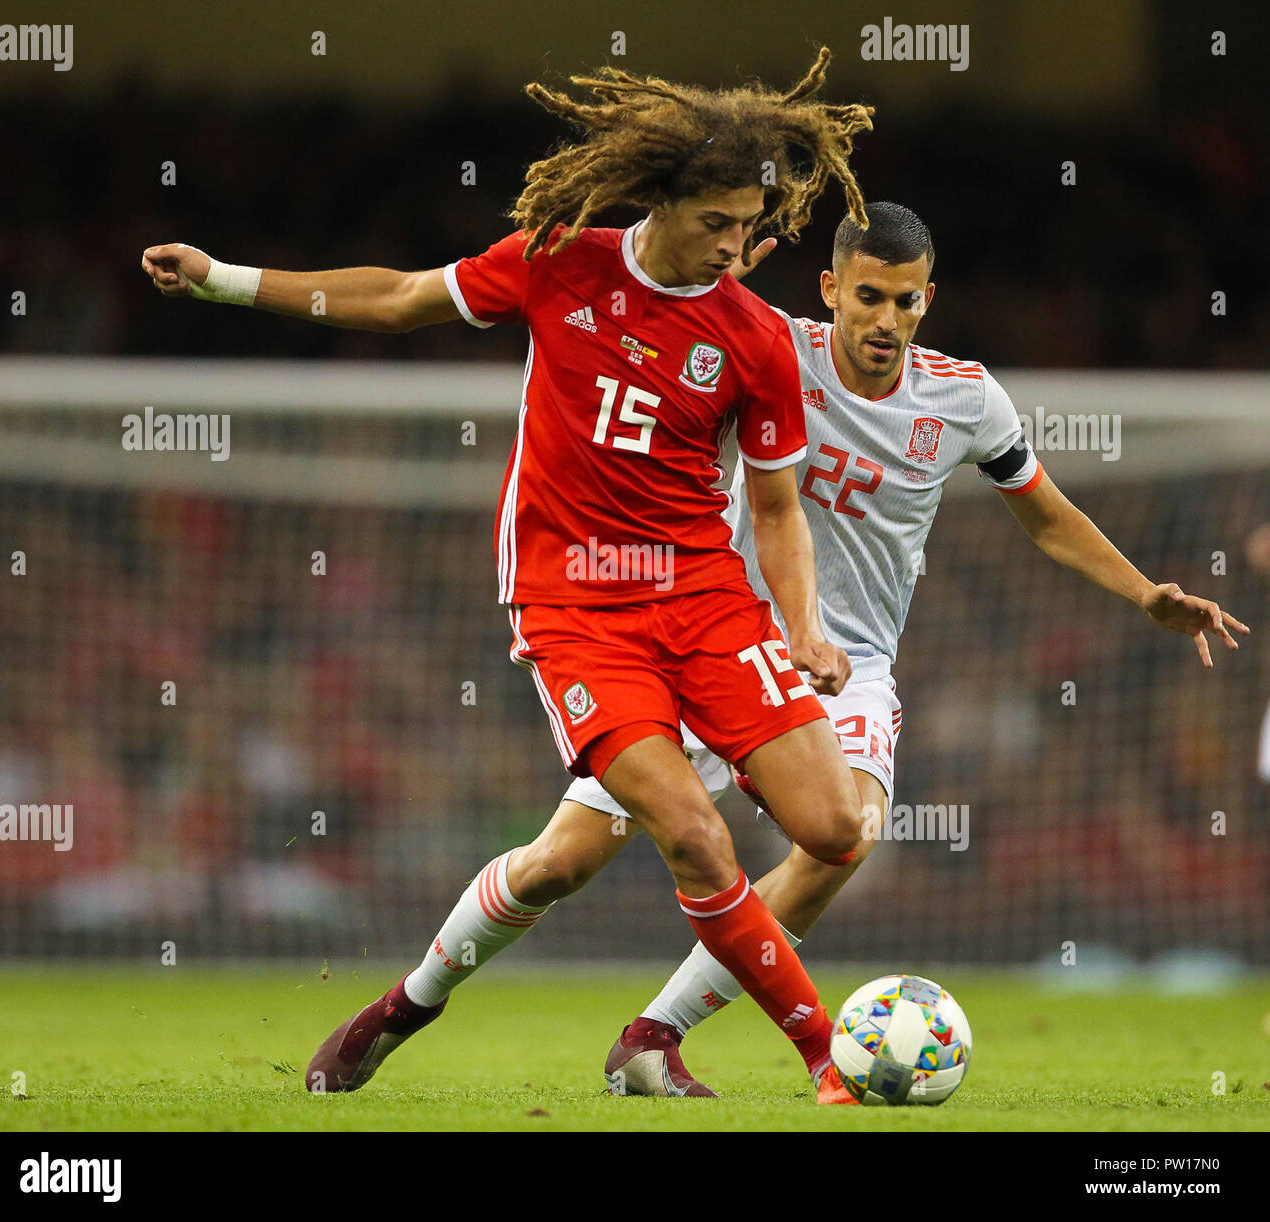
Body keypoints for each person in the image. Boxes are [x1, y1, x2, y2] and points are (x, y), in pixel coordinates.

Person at [336, 200, 1249, 1103]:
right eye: (867, 298)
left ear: (929, 300)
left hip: (849, 667)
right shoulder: (774, 346)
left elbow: (1044, 514)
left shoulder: (966, 400)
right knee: (559, 864)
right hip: (710, 637)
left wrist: (1146, 594)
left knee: (843, 837)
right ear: (830, 289)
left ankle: (653, 1036)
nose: (885, 320)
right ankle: (407, 1004)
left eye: (905, 300)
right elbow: (676, 311)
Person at [141, 49, 877, 1103]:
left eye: (745, 224)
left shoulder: (755, 339)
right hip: (578, 606)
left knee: (831, 828)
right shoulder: (560, 263)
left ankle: (424, 998)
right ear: (662, 200)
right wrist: (227, 278)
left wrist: (800, 629)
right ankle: (825, 1061)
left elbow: (773, 507)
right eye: (715, 221)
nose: (733, 244)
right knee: (695, 835)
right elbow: (397, 299)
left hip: (706, 603)